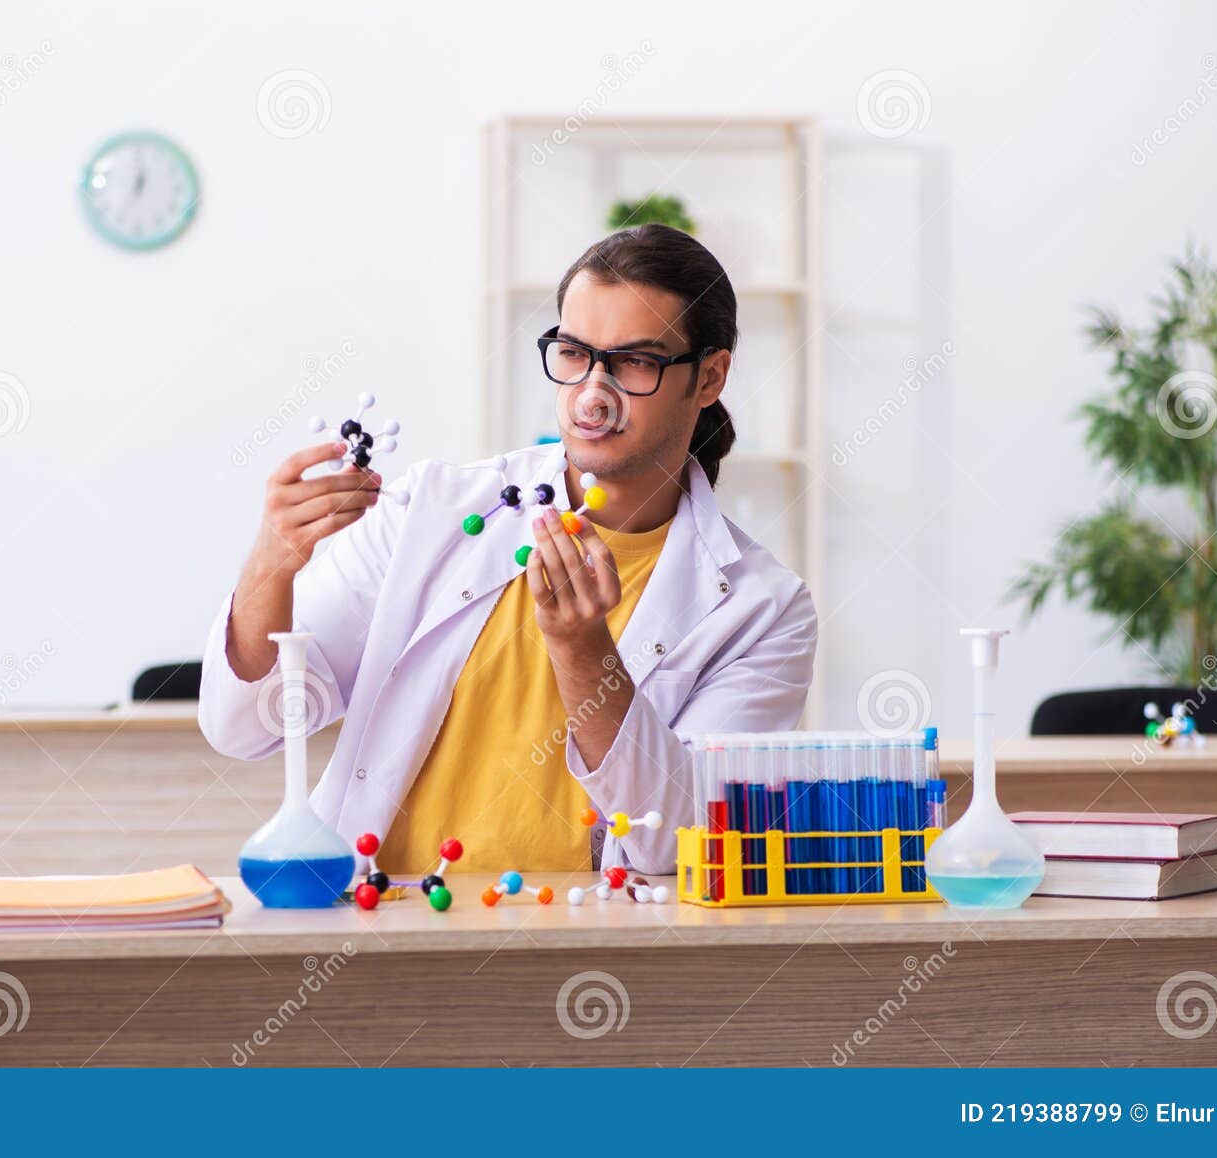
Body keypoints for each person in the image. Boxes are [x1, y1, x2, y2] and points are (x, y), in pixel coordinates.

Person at [200, 224, 817, 875]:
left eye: (636, 361)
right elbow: (246, 727)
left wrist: (585, 651)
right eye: (575, 353)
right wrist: (272, 562)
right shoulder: (435, 510)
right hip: (382, 929)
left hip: (586, 950)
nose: (592, 393)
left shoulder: (763, 610)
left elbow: (680, 843)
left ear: (709, 377)